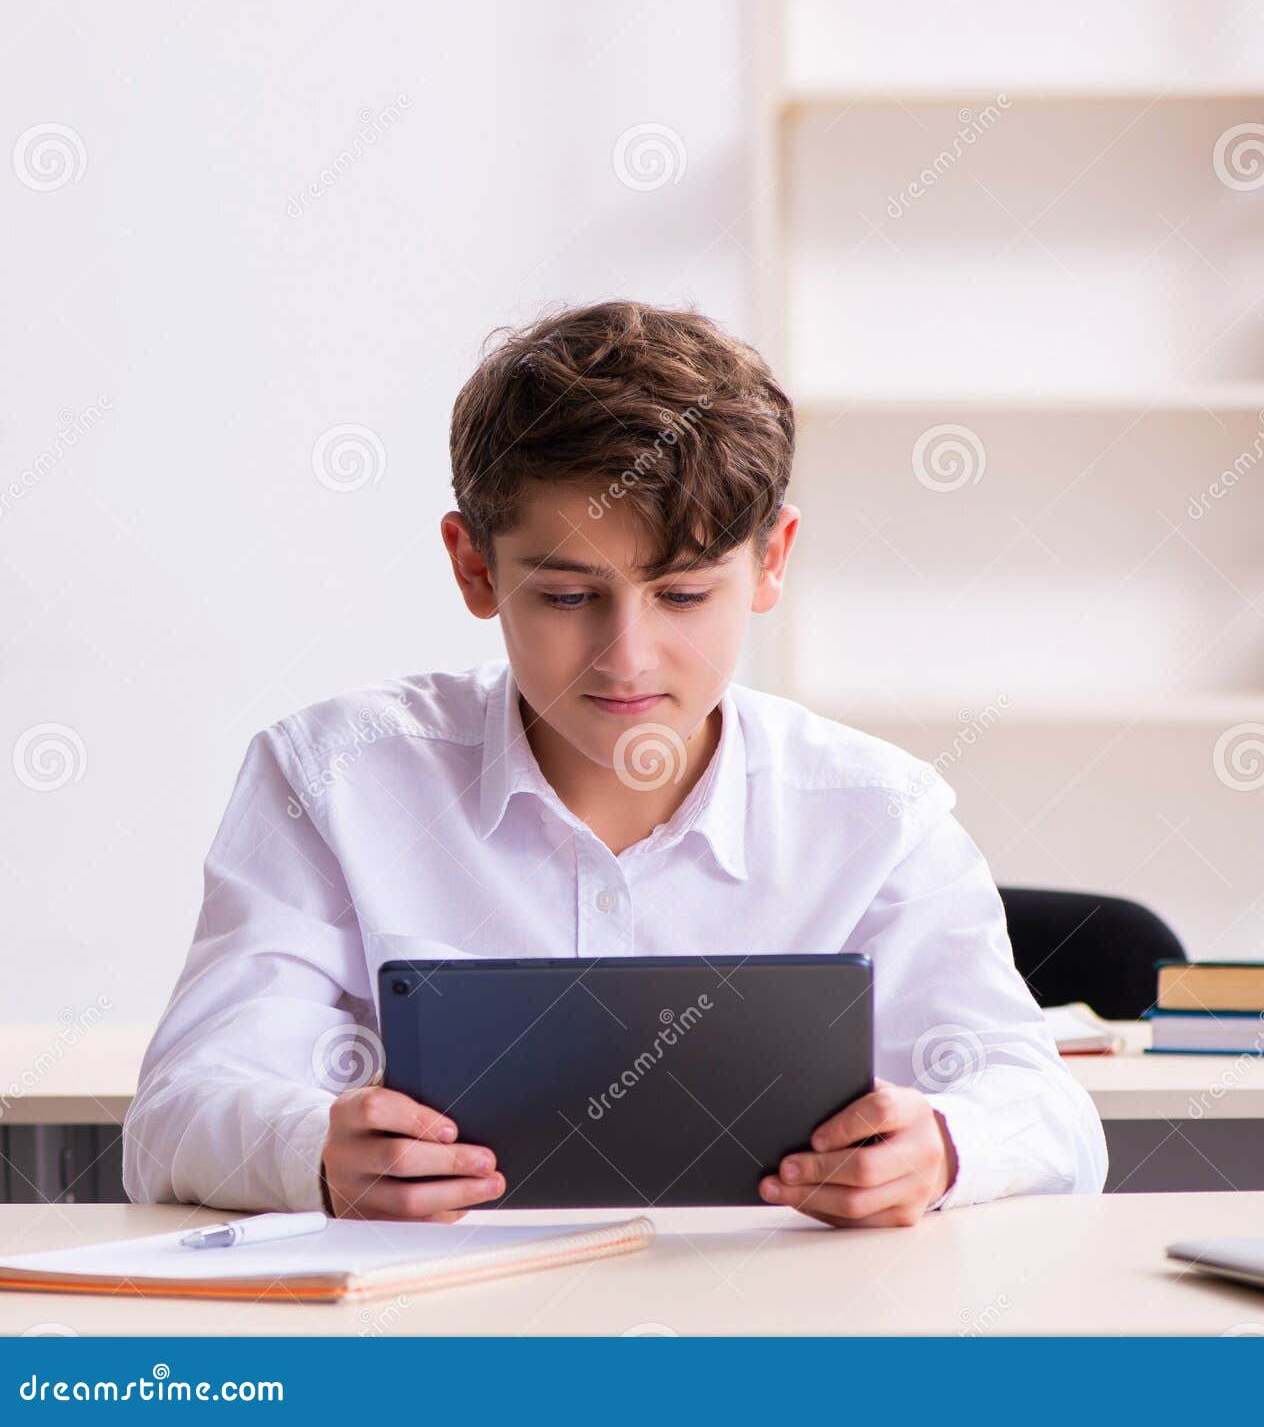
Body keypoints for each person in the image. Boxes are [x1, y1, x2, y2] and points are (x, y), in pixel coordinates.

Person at [123, 301, 1107, 1227]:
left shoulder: (874, 812)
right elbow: (176, 1113)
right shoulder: (335, 781)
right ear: (475, 568)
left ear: (772, 562)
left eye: (681, 595)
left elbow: (1048, 1115)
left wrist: (941, 1145)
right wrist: (316, 1154)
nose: (625, 658)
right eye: (565, 596)